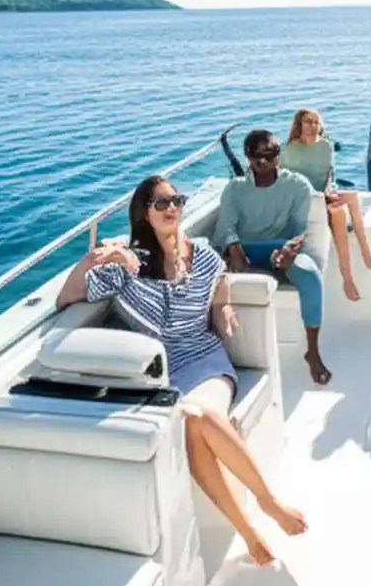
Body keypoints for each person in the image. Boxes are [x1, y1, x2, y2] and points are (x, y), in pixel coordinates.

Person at [57, 175, 307, 566]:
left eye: (176, 199)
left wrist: (221, 305)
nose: (172, 207)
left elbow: (221, 277)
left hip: (205, 359)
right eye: (161, 203)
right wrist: (96, 260)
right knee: (192, 423)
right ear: (144, 214)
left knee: (199, 414)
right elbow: (68, 296)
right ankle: (248, 531)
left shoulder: (203, 254)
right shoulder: (128, 266)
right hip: (161, 374)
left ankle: (268, 502)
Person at [212, 129, 332, 386]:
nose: (264, 161)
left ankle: (312, 351)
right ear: (247, 157)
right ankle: (221, 352)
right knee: (212, 273)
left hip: (282, 248)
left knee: (310, 275)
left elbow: (300, 228)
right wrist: (233, 248)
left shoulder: (298, 184)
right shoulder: (235, 188)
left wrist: (290, 249)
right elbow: (226, 227)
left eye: (271, 154)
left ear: (280, 155)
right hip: (244, 250)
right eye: (257, 156)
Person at [282, 108, 371, 301]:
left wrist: (329, 193)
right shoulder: (289, 148)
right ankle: (348, 279)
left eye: (316, 122)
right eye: (308, 122)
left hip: (322, 194)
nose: (313, 126)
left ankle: (365, 250)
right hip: (301, 199)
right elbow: (286, 180)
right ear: (299, 125)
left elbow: (327, 176)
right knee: (339, 214)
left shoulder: (325, 146)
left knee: (351, 197)